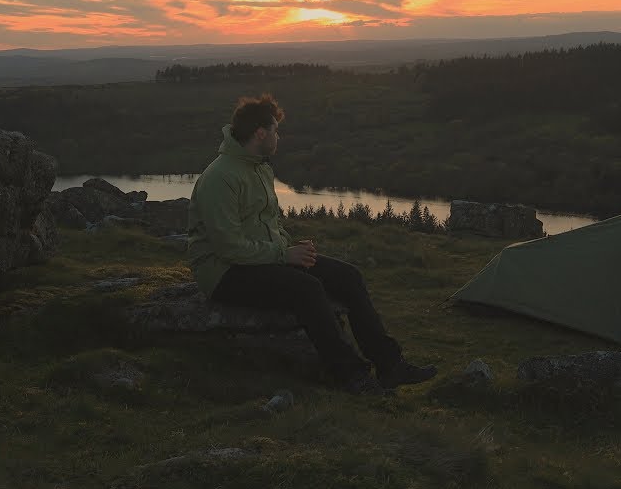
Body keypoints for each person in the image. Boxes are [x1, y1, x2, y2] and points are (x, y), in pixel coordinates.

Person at [186, 93, 437, 395]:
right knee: (305, 288)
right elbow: (228, 247)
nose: (279, 137)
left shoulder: (259, 167)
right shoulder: (220, 177)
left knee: (347, 276)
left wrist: (292, 247)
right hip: (223, 273)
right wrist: (284, 254)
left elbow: (267, 222)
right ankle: (351, 375)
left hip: (261, 258)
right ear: (260, 134)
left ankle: (390, 365)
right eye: (275, 131)